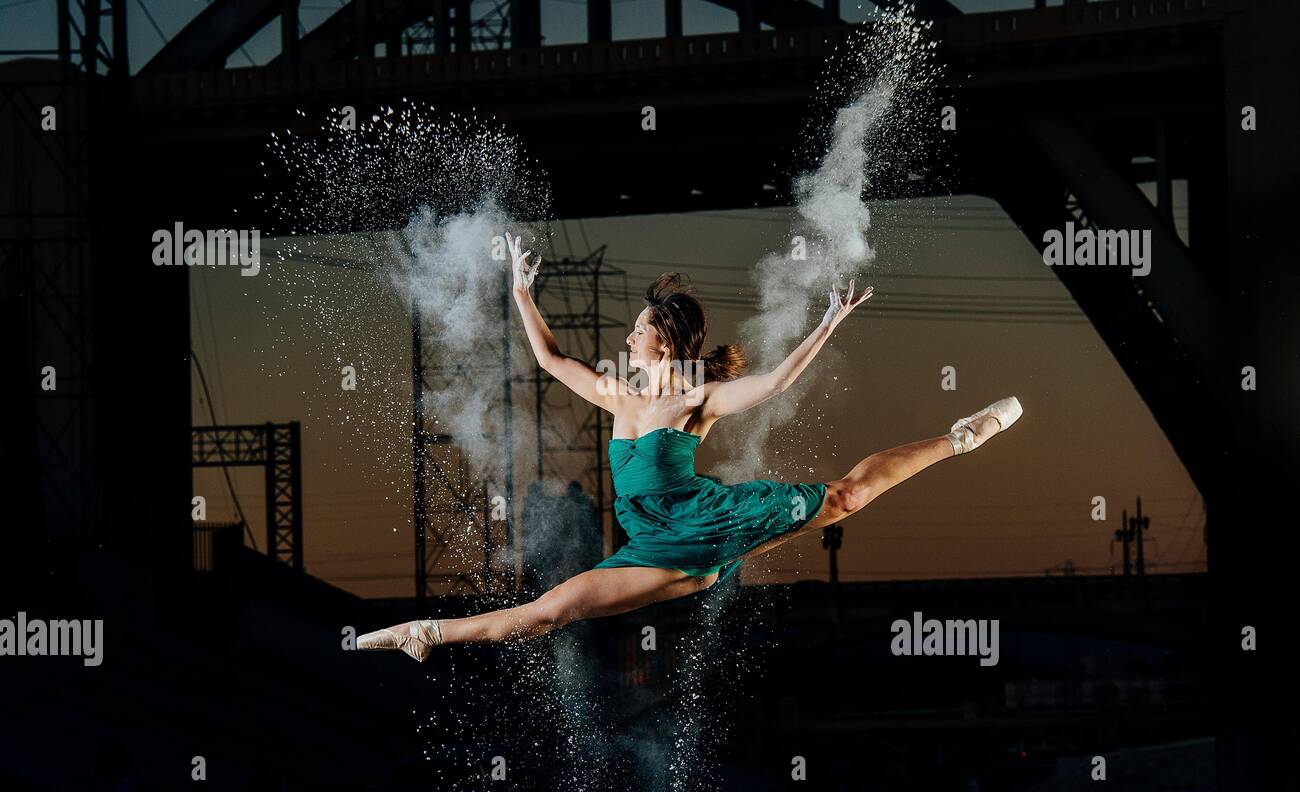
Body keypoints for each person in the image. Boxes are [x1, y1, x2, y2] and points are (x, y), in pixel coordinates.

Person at [358, 232, 1022, 661]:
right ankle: (424, 631)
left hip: (703, 524)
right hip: (654, 545)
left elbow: (773, 382)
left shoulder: (697, 399)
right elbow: (552, 358)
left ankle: (959, 437)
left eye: (637, 332)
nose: (625, 341)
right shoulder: (618, 394)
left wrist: (826, 323)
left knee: (846, 496)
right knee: (549, 613)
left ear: (665, 342)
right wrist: (520, 291)